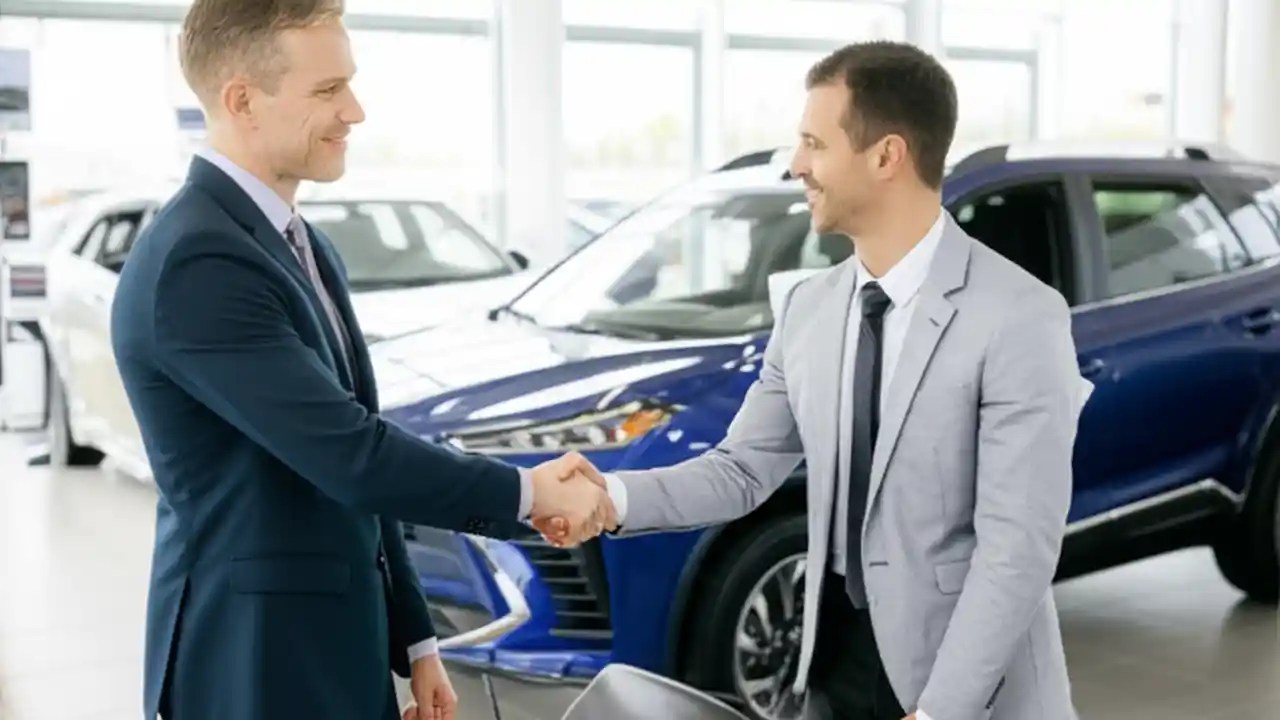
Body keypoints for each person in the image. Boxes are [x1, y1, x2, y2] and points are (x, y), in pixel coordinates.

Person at [541, 41, 1087, 720]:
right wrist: (611, 498)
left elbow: (1017, 549)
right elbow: (743, 468)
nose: (797, 165)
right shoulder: (811, 308)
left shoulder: (1018, 316)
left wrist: (941, 710)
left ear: (887, 156)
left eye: (813, 144)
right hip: (828, 669)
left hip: (964, 683)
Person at [109, 2, 612, 719]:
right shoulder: (200, 262)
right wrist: (528, 495)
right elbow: (353, 457)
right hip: (255, 661)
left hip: (329, 637)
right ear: (241, 100)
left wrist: (415, 638)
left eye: (348, 84)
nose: (356, 111)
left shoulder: (299, 243)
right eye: (327, 91)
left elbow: (351, 453)